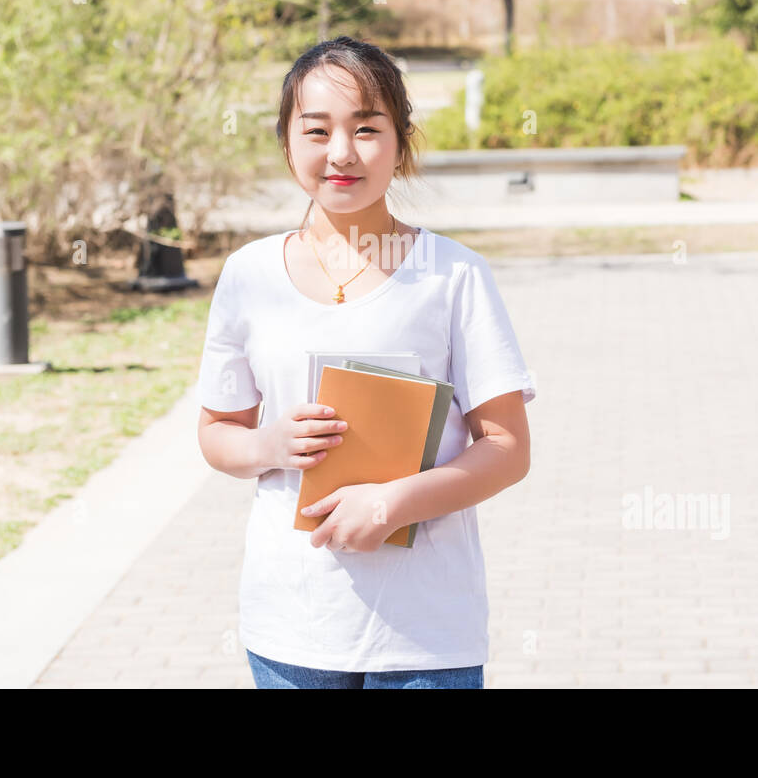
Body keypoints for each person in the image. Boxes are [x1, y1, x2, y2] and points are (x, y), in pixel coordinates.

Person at [196, 36, 536, 689]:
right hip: (292, 624)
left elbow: (508, 448)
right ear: (288, 142)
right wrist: (269, 442)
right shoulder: (248, 275)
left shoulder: (455, 275)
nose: (342, 152)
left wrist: (396, 502)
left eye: (367, 128)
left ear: (401, 142)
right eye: (318, 130)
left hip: (426, 636)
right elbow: (216, 434)